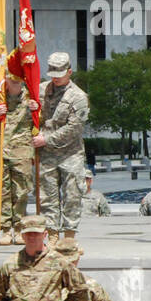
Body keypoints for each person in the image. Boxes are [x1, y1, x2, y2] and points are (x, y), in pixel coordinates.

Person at [35, 52, 90, 244]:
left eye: (60, 74)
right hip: (47, 155)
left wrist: (46, 139)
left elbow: (74, 128)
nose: (55, 78)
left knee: (72, 195)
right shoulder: (40, 91)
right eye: (53, 74)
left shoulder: (78, 96)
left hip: (70, 154)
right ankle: (51, 236)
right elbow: (31, 117)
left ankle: (69, 238)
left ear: (69, 72)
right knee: (47, 197)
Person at [0, 73, 38, 244]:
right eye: (10, 79)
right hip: (1, 149)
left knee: (21, 191)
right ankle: (5, 230)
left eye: (17, 79)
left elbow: (41, 122)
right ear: (5, 80)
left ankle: (20, 227)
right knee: (0, 190)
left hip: (21, 150)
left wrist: (37, 110)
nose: (14, 82)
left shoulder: (31, 97)